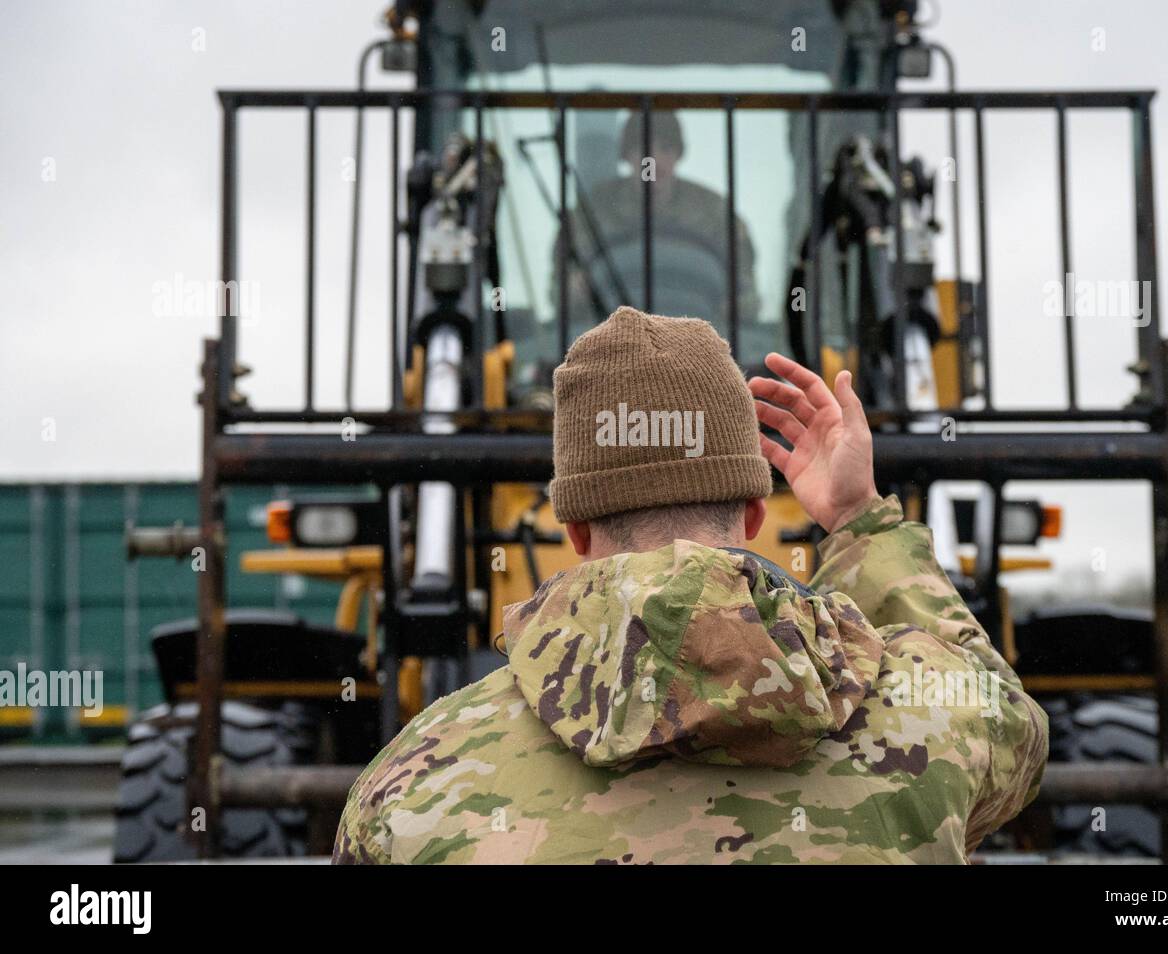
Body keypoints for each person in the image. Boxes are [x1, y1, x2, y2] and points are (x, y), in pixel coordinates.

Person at [333, 306, 1047, 864]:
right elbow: (1011, 721)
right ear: (755, 511)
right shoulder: (935, 730)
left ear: (575, 530)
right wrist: (861, 522)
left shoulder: (410, 787)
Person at [555, 112, 760, 336]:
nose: (654, 160)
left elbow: (745, 296)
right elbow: (561, 294)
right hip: (610, 350)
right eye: (643, 150)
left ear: (678, 154)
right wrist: (573, 292)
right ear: (627, 156)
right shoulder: (591, 214)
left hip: (699, 353)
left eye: (665, 148)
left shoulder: (715, 214)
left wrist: (734, 305)